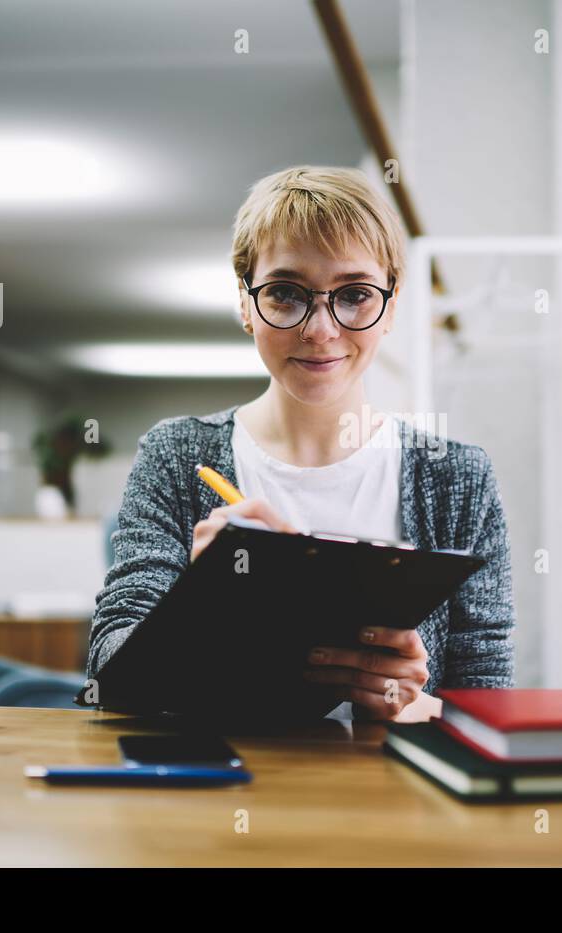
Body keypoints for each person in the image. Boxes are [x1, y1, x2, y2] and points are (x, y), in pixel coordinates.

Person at [87, 165, 515, 722]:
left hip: (394, 803)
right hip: (216, 795)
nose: (319, 329)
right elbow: (107, 677)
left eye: (355, 294)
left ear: (391, 305)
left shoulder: (456, 477)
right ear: (245, 302)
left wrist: (412, 706)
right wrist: (201, 606)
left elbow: (486, 703)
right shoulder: (176, 455)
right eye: (286, 294)